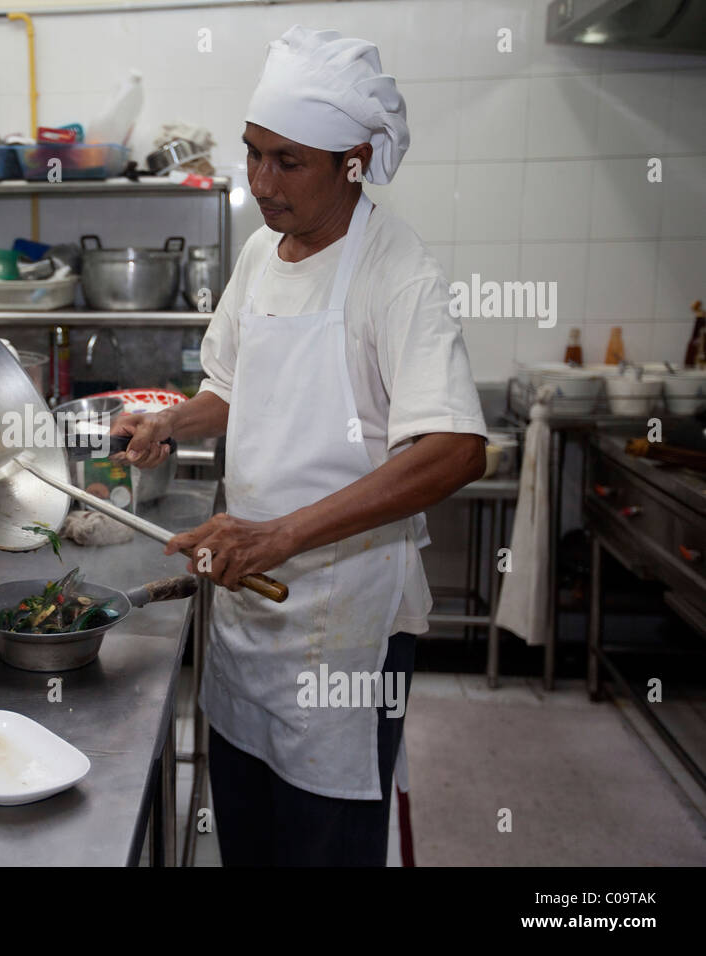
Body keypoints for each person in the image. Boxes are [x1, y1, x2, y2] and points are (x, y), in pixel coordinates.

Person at [113, 26, 487, 866]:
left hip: (349, 625)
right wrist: (172, 422)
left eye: (288, 161)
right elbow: (233, 389)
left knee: (329, 841)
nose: (260, 182)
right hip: (249, 611)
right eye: (252, 155)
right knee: (248, 832)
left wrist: (279, 533)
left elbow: (457, 449)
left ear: (352, 160)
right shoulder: (258, 254)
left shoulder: (398, 272)